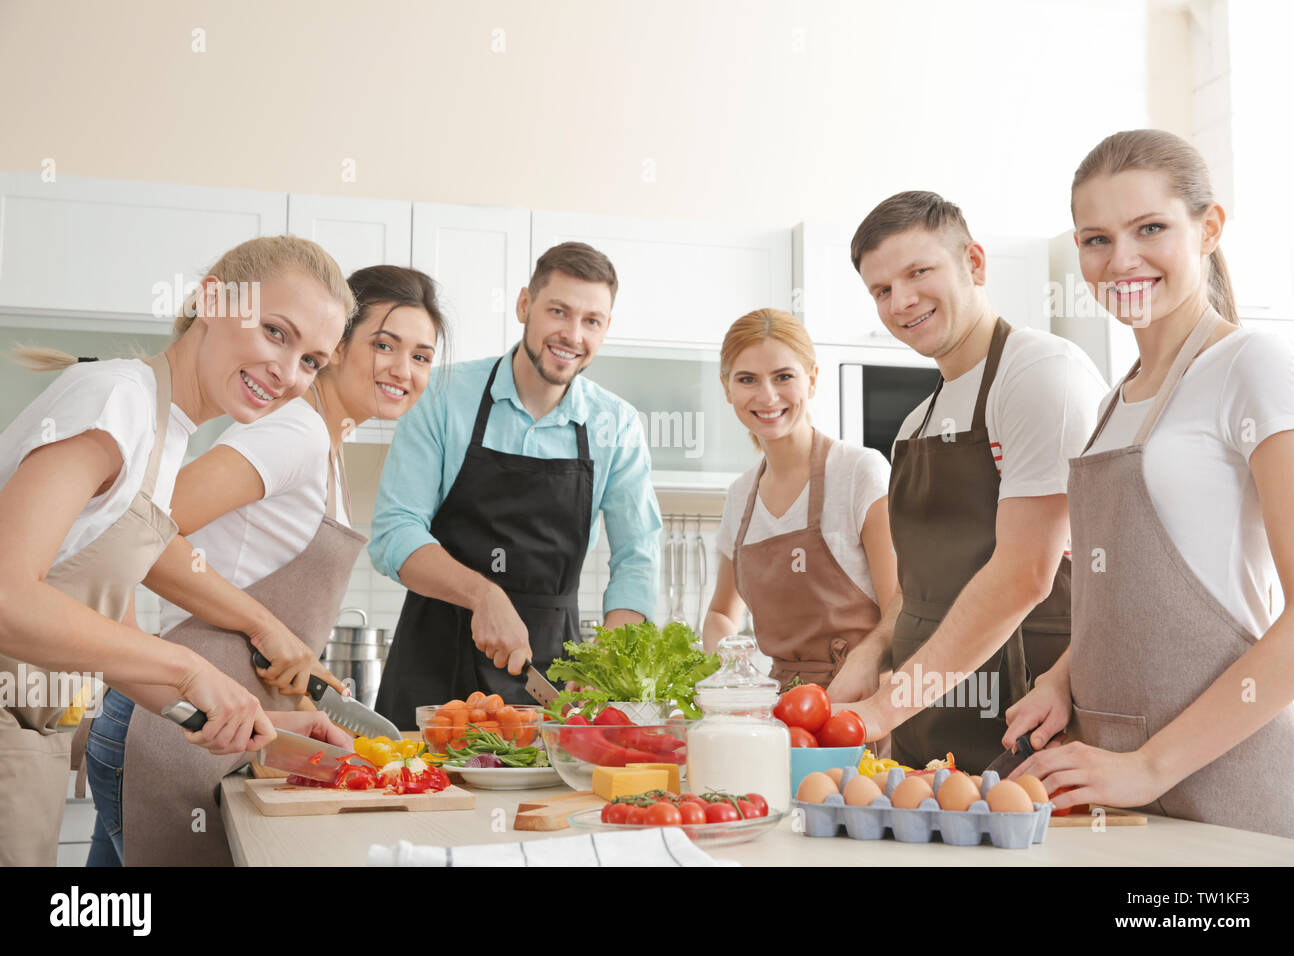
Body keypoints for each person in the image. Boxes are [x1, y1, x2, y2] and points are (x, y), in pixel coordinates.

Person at [0, 235, 354, 866]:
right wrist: (190, 670)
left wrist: (262, 731)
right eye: (276, 331)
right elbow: (6, 595)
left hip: (34, 735)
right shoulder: (118, 399)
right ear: (213, 299)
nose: (288, 371)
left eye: (312, 361)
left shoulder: (164, 441)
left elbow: (108, 637)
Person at [88, 265, 445, 865]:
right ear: (335, 349)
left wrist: (308, 694)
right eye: (383, 345)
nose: (402, 369)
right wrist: (266, 626)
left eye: (421, 355)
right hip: (172, 723)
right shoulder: (295, 433)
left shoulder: (326, 447)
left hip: (199, 728)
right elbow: (138, 533)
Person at [1006, 130, 1294, 838]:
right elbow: (1126, 589)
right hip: (1117, 787)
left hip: (1231, 792)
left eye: (1150, 229)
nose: (1121, 260)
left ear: (1209, 229)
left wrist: (1149, 765)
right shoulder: (1117, 402)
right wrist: (1062, 679)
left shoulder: (1251, 368)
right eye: (1095, 239)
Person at [828, 191, 1108, 772]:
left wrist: (886, 705)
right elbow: (919, 585)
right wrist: (873, 652)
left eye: (918, 272)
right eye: (881, 290)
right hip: (923, 730)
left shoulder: (1038, 373)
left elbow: (1025, 576)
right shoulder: (916, 422)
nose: (901, 301)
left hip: (1026, 724)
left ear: (974, 264)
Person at [370, 242, 661, 724]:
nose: (572, 334)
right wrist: (483, 595)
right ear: (525, 305)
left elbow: (638, 557)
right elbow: (394, 532)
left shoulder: (618, 425)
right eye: (558, 311)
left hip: (550, 675)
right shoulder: (442, 395)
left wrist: (607, 662)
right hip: (432, 664)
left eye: (592, 321)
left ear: (606, 329)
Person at [702, 309, 896, 690]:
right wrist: (731, 678)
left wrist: (867, 687)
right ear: (727, 388)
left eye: (783, 376)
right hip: (779, 711)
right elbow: (721, 613)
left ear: (811, 380)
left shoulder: (859, 472)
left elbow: (901, 612)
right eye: (747, 379)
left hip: (859, 706)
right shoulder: (741, 495)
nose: (767, 395)